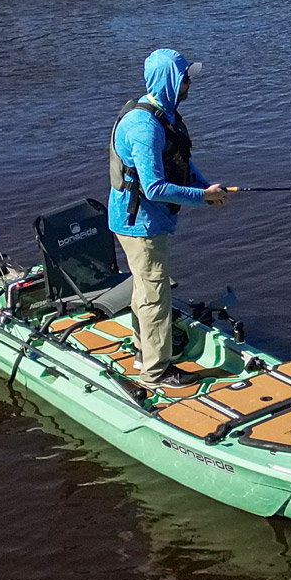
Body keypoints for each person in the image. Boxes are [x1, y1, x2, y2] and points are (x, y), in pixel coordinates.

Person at [107, 47, 233, 387]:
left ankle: (142, 350)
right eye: (186, 77)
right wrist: (201, 197)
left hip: (150, 221)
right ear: (170, 81)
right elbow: (154, 188)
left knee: (146, 290)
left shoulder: (165, 116)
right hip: (140, 225)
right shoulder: (143, 127)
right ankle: (154, 372)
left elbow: (181, 161)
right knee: (153, 296)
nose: (190, 83)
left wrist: (206, 189)